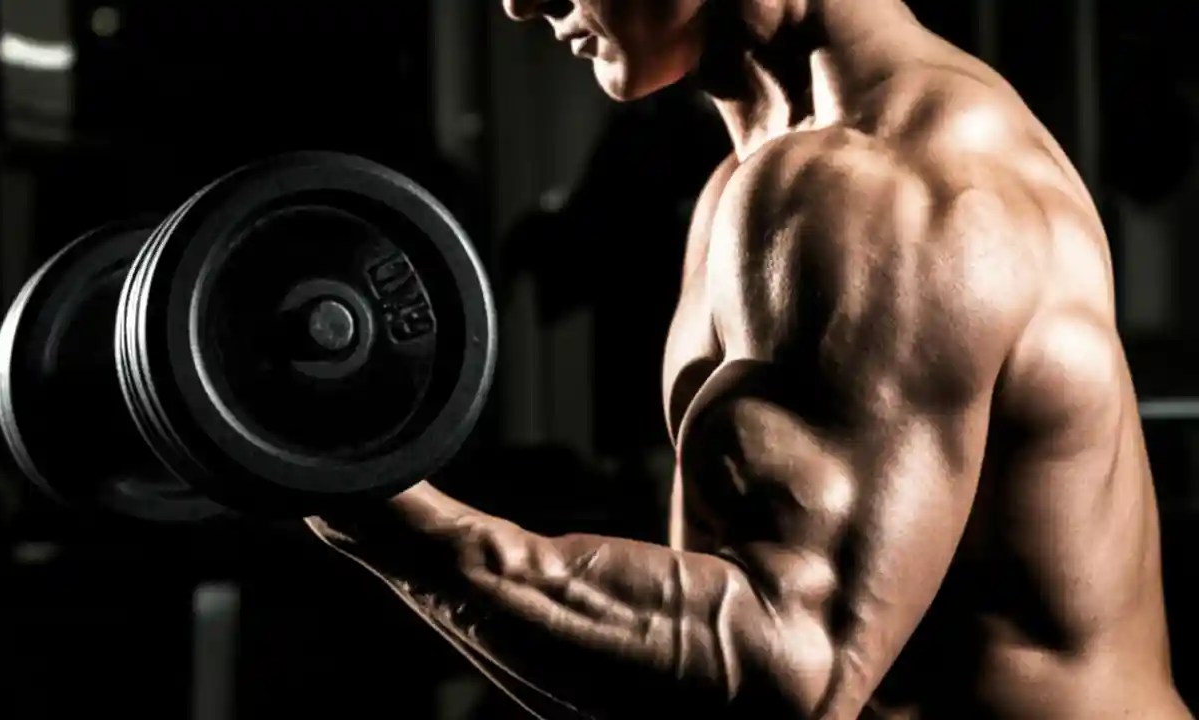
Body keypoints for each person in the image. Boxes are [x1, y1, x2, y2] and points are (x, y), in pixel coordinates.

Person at [306, 1, 1194, 717]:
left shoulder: (886, 188)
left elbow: (785, 666)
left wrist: (391, 523)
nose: (519, 2)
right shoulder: (763, 170)